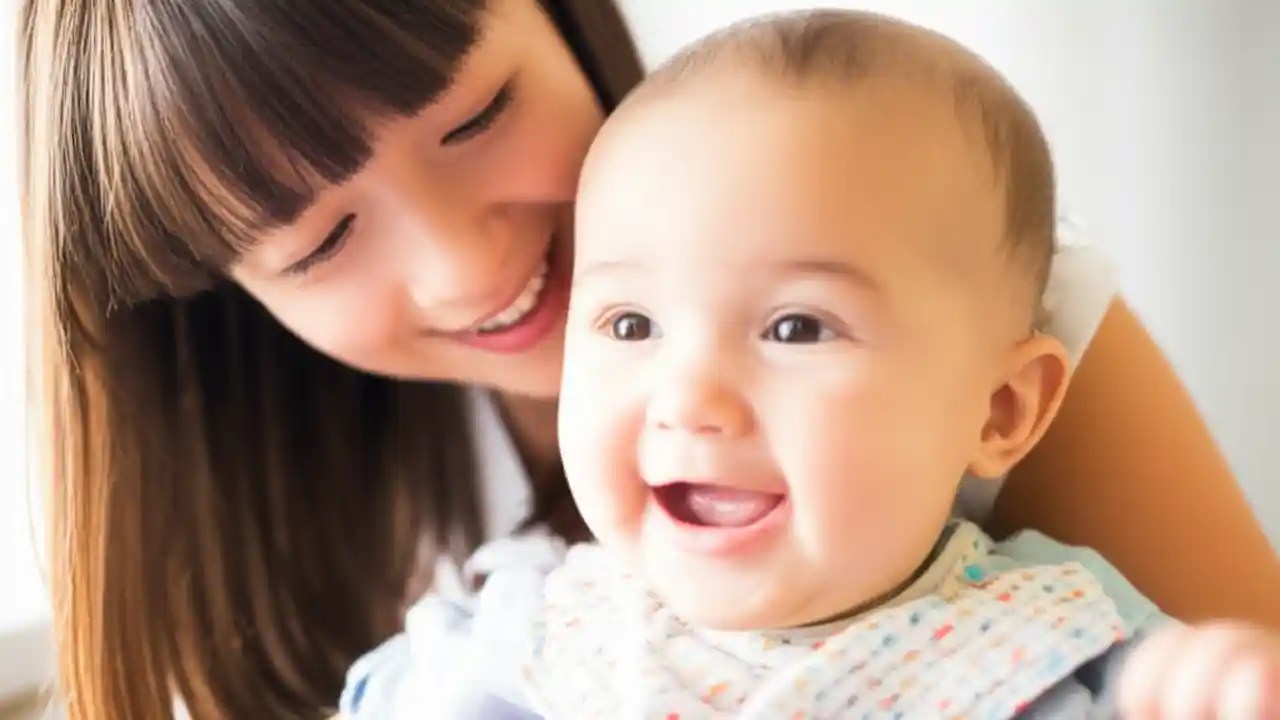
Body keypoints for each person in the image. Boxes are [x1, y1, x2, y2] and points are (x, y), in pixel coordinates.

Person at [16, 0, 1278, 718]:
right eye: (322, 239)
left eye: (477, 116)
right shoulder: (489, 617)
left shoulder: (951, 303)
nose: (463, 265)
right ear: (230, 303)